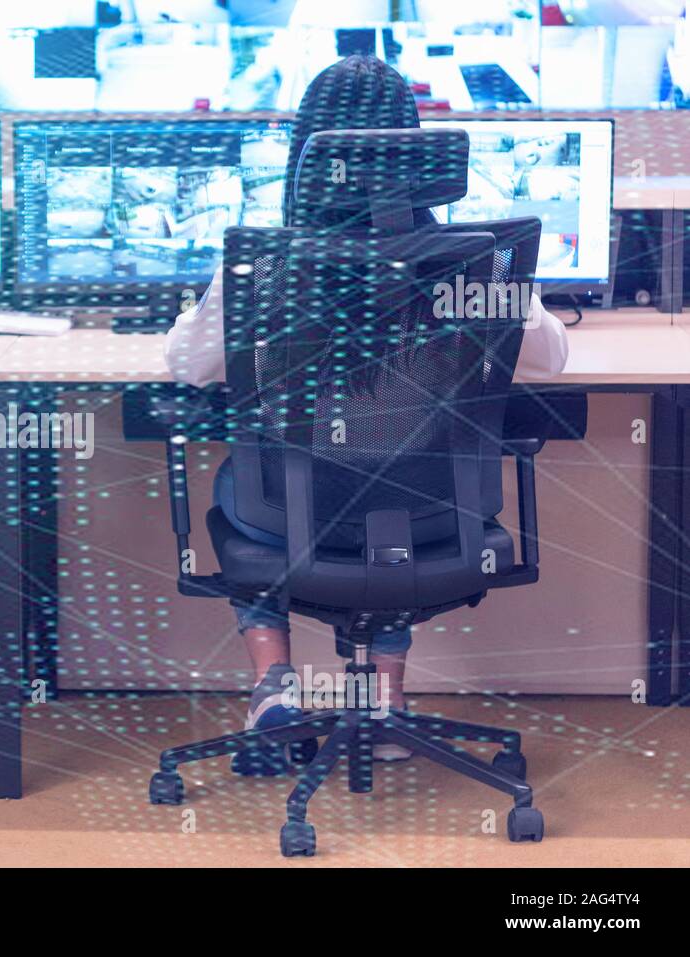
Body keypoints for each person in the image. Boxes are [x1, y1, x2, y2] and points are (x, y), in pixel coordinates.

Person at [163, 55, 569, 762]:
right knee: (403, 478)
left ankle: (274, 682)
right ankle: (385, 697)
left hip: (289, 519)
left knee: (246, 477)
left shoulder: (266, 261)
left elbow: (187, 366)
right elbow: (548, 359)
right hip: (438, 518)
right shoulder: (468, 254)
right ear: (418, 148)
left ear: (304, 154)